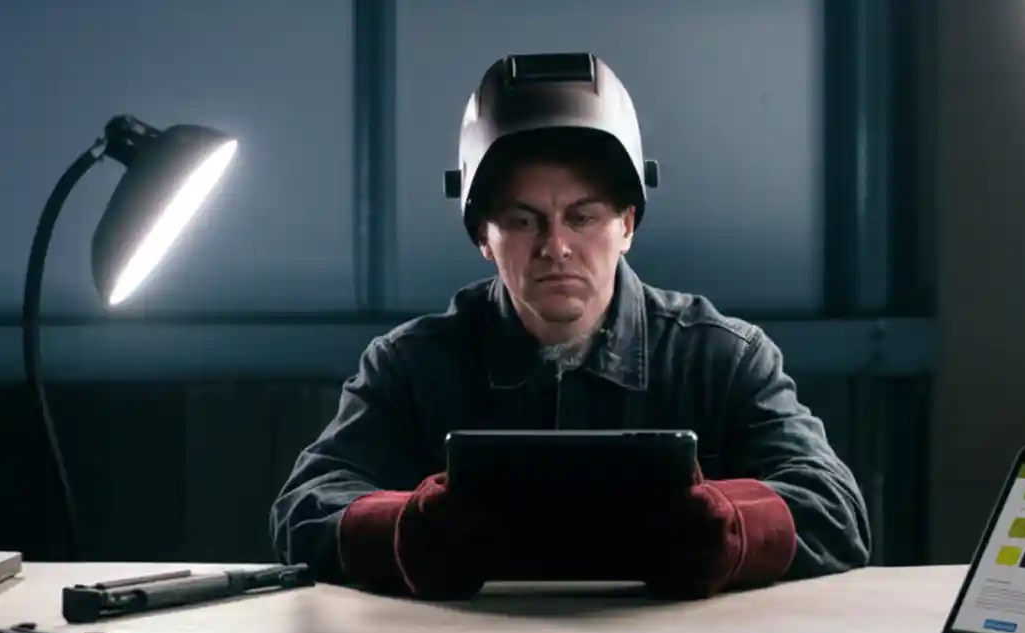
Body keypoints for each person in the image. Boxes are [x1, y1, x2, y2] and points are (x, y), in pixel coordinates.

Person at [269, 52, 870, 600]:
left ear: (627, 225)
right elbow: (305, 507)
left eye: (582, 217)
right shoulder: (409, 365)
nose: (556, 247)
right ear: (484, 236)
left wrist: (732, 526)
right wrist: (403, 529)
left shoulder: (722, 358)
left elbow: (834, 507)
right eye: (524, 221)